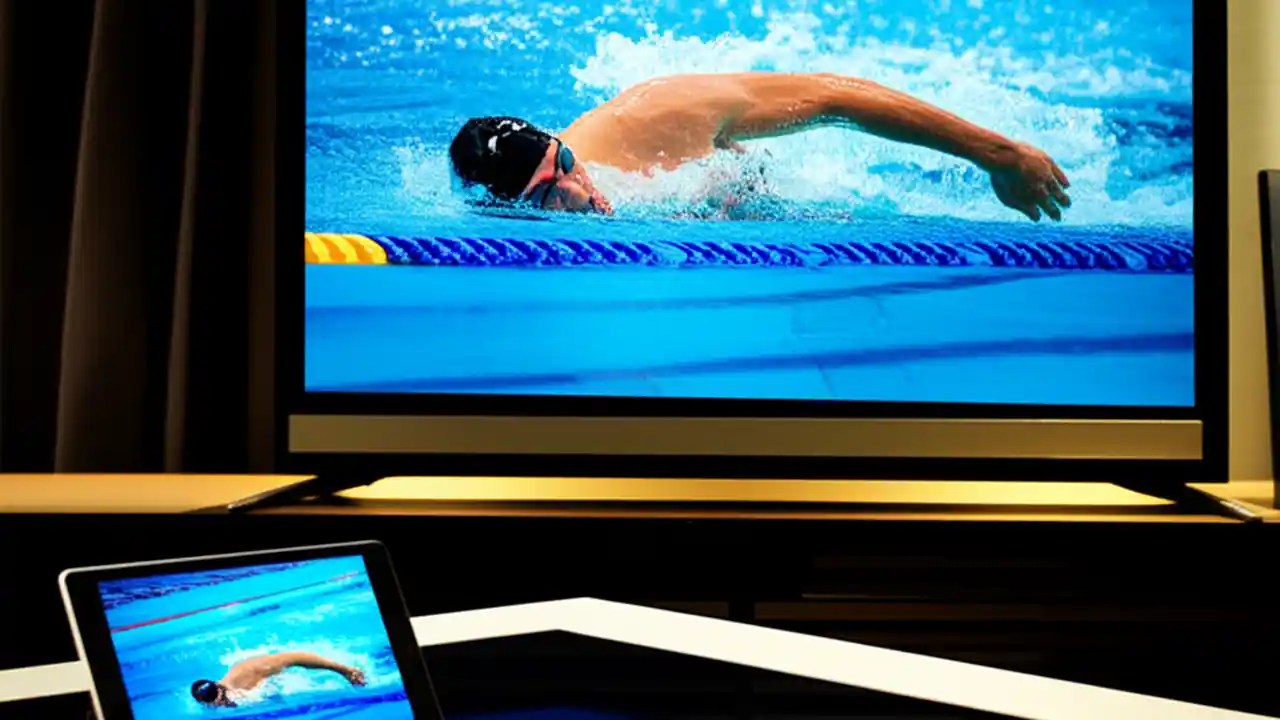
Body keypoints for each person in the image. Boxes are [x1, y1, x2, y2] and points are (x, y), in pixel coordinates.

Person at [448, 71, 1071, 221]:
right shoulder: (511, 218)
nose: (582, 193)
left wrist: (999, 154)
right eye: (552, 198)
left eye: (569, 167)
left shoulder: (659, 117)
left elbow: (835, 97)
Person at [190, 651, 366, 708]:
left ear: (219, 687)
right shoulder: (221, 700)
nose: (218, 705)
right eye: (210, 703)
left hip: (280, 677)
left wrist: (343, 669)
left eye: (216, 699)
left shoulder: (246, 672)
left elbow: (294, 657)